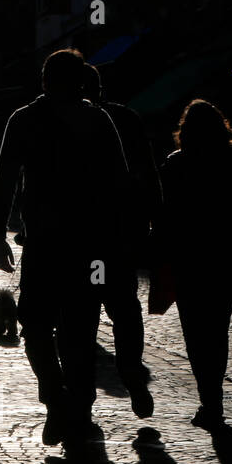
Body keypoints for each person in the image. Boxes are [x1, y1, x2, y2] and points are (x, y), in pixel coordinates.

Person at [0, 48, 131, 446]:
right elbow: (120, 184)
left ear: (45, 79)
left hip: (48, 244)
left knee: (37, 328)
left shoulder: (26, 119)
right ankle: (72, 408)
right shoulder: (95, 119)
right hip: (86, 245)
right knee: (77, 333)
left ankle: (59, 402)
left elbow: (3, 179)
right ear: (81, 81)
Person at [155, 99, 232, 429]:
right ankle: (212, 401)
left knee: (196, 334)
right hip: (227, 259)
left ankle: (209, 400)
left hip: (189, 260)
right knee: (216, 330)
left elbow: (162, 216)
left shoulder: (176, 165)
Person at [83, 62, 158, 418]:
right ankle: (132, 373)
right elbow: (148, 171)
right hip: (120, 234)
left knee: (80, 316)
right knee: (125, 309)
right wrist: (154, 220)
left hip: (80, 237)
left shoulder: (67, 122)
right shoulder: (127, 118)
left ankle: (79, 402)